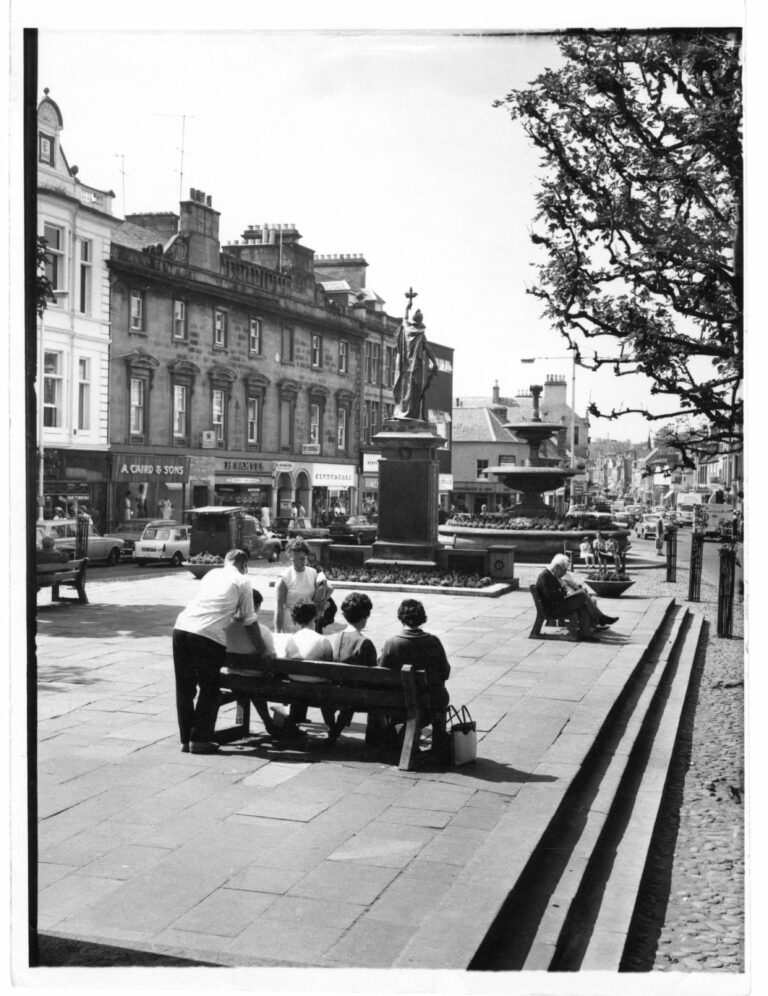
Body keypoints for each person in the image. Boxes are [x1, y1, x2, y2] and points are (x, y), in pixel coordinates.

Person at [172, 548, 266, 754]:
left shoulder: (212, 574)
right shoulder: (243, 581)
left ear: (226, 561)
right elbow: (249, 621)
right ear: (243, 565)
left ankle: (186, 739)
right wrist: (262, 649)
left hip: (182, 627)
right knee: (210, 687)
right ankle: (200, 739)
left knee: (184, 688)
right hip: (208, 634)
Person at [379, 599, 451, 760]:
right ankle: (438, 746)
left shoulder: (392, 643)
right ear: (422, 618)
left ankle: (396, 738)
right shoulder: (433, 641)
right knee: (439, 696)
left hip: (398, 703)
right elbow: (445, 672)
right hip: (430, 702)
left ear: (401, 618)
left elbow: (382, 673)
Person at [224, 588, 279, 738]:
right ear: (256, 607)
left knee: (245, 687)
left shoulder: (226, 627)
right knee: (262, 681)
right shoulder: (263, 631)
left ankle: (240, 721)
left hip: (232, 679)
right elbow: (272, 658)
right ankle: (269, 722)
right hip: (257, 682)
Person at [326, 592, 380, 746]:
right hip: (359, 697)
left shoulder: (338, 638)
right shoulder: (364, 642)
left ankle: (335, 730)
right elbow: (374, 675)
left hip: (338, 692)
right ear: (364, 618)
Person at [280, 599, 335, 739]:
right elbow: (330, 668)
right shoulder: (322, 641)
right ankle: (333, 727)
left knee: (299, 684)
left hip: (295, 689)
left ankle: (295, 723)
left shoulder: (290, 640)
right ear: (315, 617)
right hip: (319, 691)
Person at [535, 555, 601, 641]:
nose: (564, 573)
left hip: (557, 604)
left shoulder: (551, 574)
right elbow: (550, 596)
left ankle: (585, 633)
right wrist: (564, 595)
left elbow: (556, 592)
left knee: (583, 603)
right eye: (564, 570)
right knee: (583, 596)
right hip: (552, 609)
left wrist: (566, 594)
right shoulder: (545, 576)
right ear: (557, 567)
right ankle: (599, 618)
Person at [274, 539, 332, 634]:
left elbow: (319, 597)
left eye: (302, 559)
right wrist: (277, 634)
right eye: (295, 560)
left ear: (306, 556)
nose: (299, 563)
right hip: (290, 624)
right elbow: (279, 608)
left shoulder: (313, 573)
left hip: (309, 623)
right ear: (290, 557)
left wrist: (322, 604)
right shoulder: (284, 578)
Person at [392, 307, 439, 420]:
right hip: (415, 367)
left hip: (404, 366)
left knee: (404, 388)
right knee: (414, 390)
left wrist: (407, 308)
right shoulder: (420, 334)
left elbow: (404, 319)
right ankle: (411, 414)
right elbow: (428, 349)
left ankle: (402, 412)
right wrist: (434, 362)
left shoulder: (406, 329)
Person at [554, 555, 619, 630]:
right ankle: (599, 620)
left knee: (590, 599)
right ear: (558, 568)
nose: (565, 571)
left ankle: (597, 622)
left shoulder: (561, 575)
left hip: (569, 598)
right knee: (586, 598)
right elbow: (568, 589)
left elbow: (570, 587)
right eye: (564, 568)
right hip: (566, 603)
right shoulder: (560, 576)